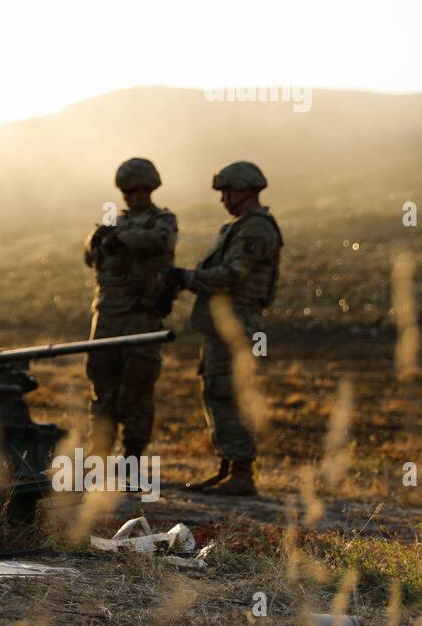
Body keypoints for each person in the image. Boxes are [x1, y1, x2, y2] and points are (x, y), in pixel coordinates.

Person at [171, 161, 282, 497]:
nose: (223, 199)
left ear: (245, 190)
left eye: (227, 192)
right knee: (216, 390)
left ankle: (241, 472)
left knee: (228, 392)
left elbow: (232, 274)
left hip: (237, 323)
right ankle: (228, 466)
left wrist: (187, 278)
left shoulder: (255, 230)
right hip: (223, 323)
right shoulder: (238, 227)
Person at [82, 158, 177, 460]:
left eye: (135, 190)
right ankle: (99, 456)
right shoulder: (115, 222)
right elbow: (90, 257)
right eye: (124, 191)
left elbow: (160, 241)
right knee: (102, 391)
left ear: (149, 188)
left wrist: (120, 239)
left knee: (136, 391)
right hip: (107, 314)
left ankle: (132, 459)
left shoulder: (162, 221)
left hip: (141, 315)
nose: (129, 196)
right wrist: (95, 241)